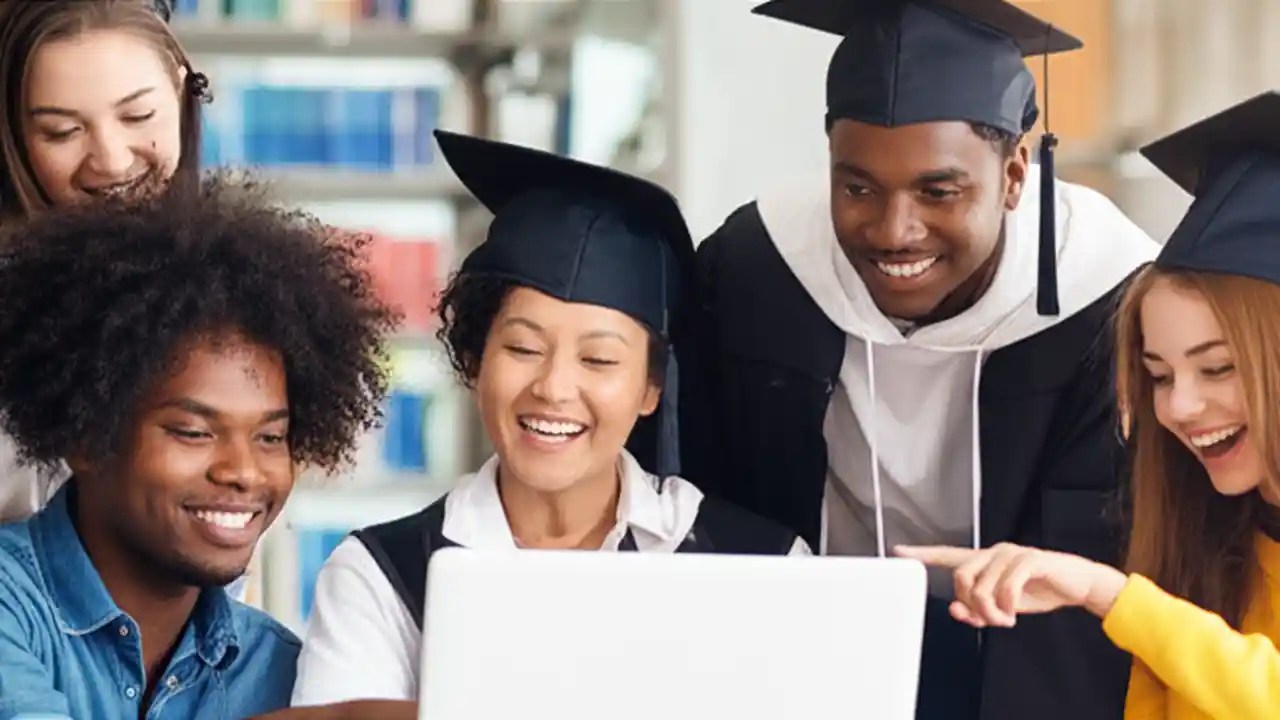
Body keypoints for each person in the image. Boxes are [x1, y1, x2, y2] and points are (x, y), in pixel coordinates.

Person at [686, 1, 1159, 718]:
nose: (893, 230)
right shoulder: (761, 265)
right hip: (808, 657)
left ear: (1013, 176)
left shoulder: (1108, 296)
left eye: (939, 191)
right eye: (857, 187)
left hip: (1033, 670)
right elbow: (708, 487)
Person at [285, 131, 809, 717]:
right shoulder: (383, 578)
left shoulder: (764, 568)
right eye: (523, 349)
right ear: (476, 358)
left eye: (599, 360)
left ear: (651, 388)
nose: (554, 388)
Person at [901, 91, 1280, 720]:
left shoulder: (1145, 602)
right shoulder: (1209, 534)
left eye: (1218, 368)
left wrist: (1111, 595)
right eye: (1159, 376)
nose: (1181, 407)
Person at [0, 174, 397, 719]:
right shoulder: (10, 608)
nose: (243, 472)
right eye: (193, 432)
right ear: (85, 435)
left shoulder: (277, 671)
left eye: (270, 437)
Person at [0, 0, 207, 522]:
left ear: (182, 92)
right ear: (16, 142)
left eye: (137, 115)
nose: (112, 159)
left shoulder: (229, 280)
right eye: (62, 132)